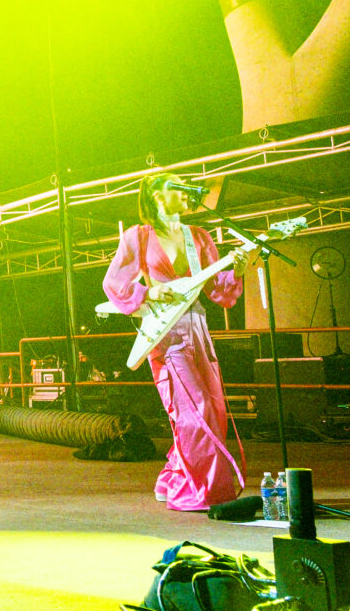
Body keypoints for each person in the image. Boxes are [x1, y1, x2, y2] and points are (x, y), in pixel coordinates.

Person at [102, 173, 244, 510]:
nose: (185, 191)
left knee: (215, 410)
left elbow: (217, 290)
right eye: (175, 186)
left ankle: (173, 475)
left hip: (199, 328)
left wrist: (238, 268)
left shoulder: (199, 236)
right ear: (156, 196)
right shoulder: (138, 236)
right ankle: (197, 491)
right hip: (168, 334)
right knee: (196, 411)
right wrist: (150, 290)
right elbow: (114, 284)